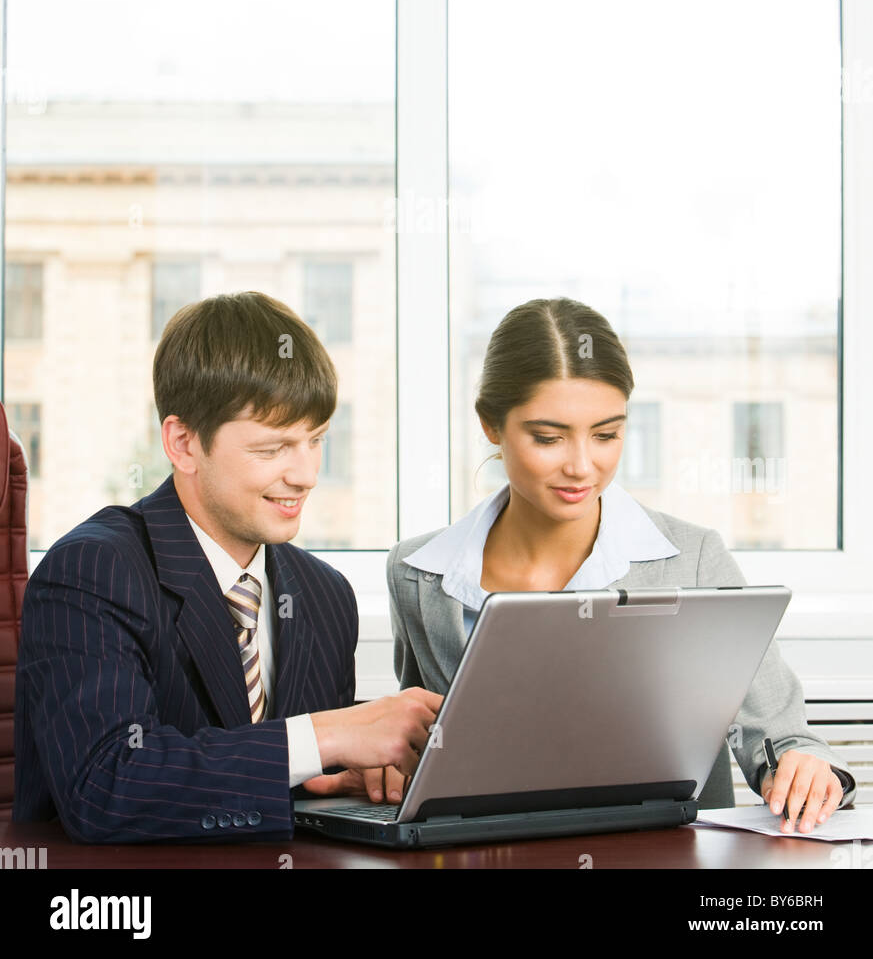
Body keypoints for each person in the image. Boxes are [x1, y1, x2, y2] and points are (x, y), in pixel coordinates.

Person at [386, 297, 856, 831]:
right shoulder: (416, 573)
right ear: (491, 425)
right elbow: (421, 745)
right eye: (548, 437)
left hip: (664, 858)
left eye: (607, 434)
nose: (582, 465)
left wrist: (804, 767)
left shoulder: (694, 559)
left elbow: (783, 736)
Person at [13, 291, 440, 843]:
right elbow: (107, 786)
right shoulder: (94, 571)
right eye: (272, 449)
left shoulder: (324, 594)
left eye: (316, 441)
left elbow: (295, 783)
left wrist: (348, 772)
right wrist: (325, 737)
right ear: (184, 443)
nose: (307, 474)